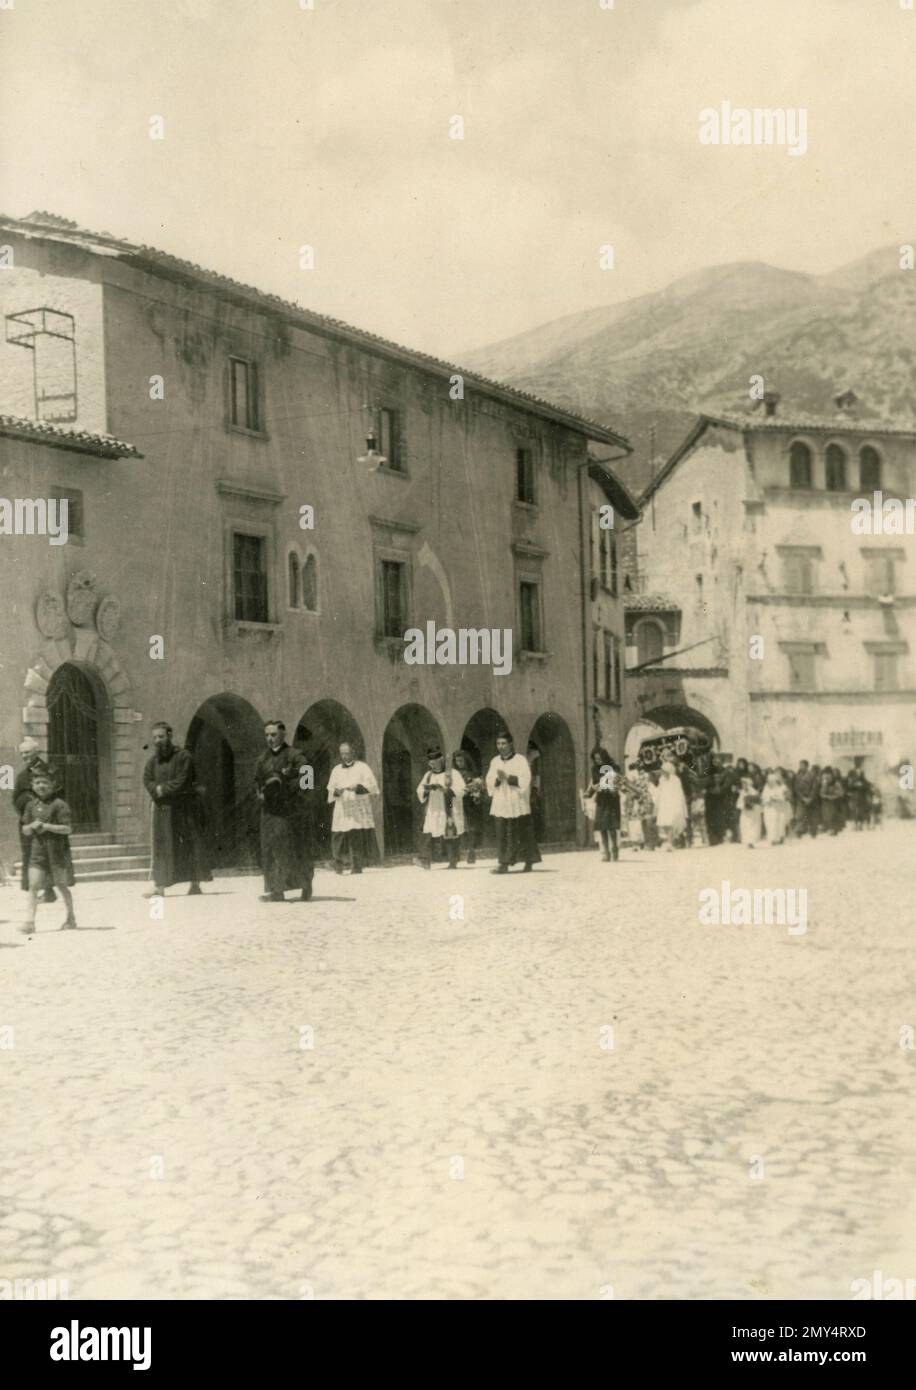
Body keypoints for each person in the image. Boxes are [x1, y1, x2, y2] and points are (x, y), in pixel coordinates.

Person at [143, 722, 212, 898]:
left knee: (189, 844)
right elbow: (147, 779)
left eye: (161, 736)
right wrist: (155, 789)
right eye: (155, 738)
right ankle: (160, 887)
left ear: (170, 735)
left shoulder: (183, 757)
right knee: (162, 847)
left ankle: (195, 884)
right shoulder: (153, 761)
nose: (158, 741)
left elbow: (183, 780)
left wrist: (162, 790)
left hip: (184, 808)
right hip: (163, 810)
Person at [253, 721, 315, 902]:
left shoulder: (295, 755)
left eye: (273, 734)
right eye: (267, 735)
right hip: (270, 812)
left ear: (283, 735)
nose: (270, 739)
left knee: (295, 848)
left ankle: (305, 884)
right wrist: (260, 794)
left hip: (290, 810)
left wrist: (292, 790)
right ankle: (276, 890)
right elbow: (255, 782)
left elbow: (308, 776)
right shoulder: (262, 759)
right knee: (271, 848)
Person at [19, 770, 76, 934]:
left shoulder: (59, 804)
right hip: (38, 852)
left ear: (53, 786)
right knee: (33, 886)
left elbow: (67, 829)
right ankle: (29, 923)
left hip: (57, 851)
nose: (41, 786)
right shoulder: (30, 806)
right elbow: (25, 829)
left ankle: (71, 918)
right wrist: (31, 826)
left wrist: (47, 826)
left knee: (61, 885)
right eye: (37, 783)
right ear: (32, 786)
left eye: (45, 783)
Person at [486, 730, 541, 873]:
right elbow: (489, 780)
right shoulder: (495, 761)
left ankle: (528, 861)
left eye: (504, 743)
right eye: (498, 743)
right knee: (502, 832)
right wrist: (497, 780)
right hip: (501, 801)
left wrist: (509, 778)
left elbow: (525, 779)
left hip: (517, 801)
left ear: (511, 744)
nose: (501, 746)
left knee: (522, 831)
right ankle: (503, 863)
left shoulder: (520, 760)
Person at [13, 737, 58, 903]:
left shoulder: (49, 770)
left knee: (46, 854)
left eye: (27, 753)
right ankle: (33, 890)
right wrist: (26, 813)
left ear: (36, 752)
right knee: (29, 854)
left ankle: (48, 890)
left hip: (45, 820)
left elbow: (56, 794)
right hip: (27, 821)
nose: (24, 756)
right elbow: (16, 798)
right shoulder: (22, 775)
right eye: (22, 753)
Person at [327, 741, 379, 874]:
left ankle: (357, 865)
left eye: (347, 753)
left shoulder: (363, 767)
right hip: (342, 805)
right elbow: (330, 787)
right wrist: (336, 791)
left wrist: (358, 787)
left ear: (353, 753)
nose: (344, 756)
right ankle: (337, 863)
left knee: (355, 834)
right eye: (342, 754)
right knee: (338, 833)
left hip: (357, 804)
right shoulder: (336, 769)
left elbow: (372, 786)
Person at [415, 747, 465, 869]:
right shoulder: (428, 775)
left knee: (449, 831)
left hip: (448, 806)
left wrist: (445, 790)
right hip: (434, 806)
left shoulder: (452, 773)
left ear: (441, 760)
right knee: (429, 831)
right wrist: (426, 789)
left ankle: (453, 861)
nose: (433, 764)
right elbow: (419, 789)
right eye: (430, 762)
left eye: (436, 761)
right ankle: (425, 859)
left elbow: (461, 789)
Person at [583, 747, 621, 862]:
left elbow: (618, 782)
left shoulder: (614, 767)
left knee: (611, 826)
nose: (598, 761)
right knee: (602, 827)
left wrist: (612, 787)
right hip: (601, 800)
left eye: (600, 758)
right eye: (596, 759)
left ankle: (614, 849)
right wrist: (591, 791)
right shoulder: (595, 769)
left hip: (612, 799)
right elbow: (594, 783)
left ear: (604, 757)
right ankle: (606, 852)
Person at [452, 749, 487, 863]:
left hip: (469, 803)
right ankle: (456, 853)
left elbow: (479, 786)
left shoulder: (472, 773)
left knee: (470, 827)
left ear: (466, 761)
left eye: (461, 761)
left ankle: (471, 851)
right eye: (457, 761)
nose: (459, 763)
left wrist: (474, 790)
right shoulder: (454, 774)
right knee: (457, 827)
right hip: (457, 802)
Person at [655, 758, 688, 850]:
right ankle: (670, 841)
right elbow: (659, 791)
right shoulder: (662, 779)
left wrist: (678, 805)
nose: (663, 772)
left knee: (672, 823)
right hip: (664, 804)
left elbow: (679, 793)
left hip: (673, 803)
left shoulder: (675, 780)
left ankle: (672, 842)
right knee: (665, 824)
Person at [622, 764, 655, 849]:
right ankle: (641, 843)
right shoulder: (633, 775)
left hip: (643, 798)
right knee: (638, 822)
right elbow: (626, 788)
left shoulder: (645, 776)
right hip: (636, 799)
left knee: (645, 821)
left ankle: (648, 843)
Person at [762, 769, 790, 845]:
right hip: (768, 808)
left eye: (771, 781)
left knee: (776, 823)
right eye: (768, 781)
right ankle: (772, 838)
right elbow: (763, 797)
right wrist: (768, 800)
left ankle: (777, 838)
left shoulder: (779, 787)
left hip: (777, 808)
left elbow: (784, 798)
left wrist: (776, 799)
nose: (769, 783)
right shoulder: (766, 788)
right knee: (769, 823)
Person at [794, 759, 820, 838]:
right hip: (801, 799)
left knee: (812, 816)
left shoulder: (812, 775)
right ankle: (799, 831)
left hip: (811, 799)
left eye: (802, 765)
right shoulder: (797, 776)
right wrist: (802, 797)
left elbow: (815, 787)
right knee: (800, 815)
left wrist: (811, 798)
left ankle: (813, 832)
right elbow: (796, 788)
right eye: (800, 765)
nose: (801, 767)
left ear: (806, 766)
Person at [737, 775, 763, 848]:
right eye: (742, 784)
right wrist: (743, 806)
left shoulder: (753, 792)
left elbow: (758, 802)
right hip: (745, 812)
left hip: (752, 813)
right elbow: (739, 803)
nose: (743, 785)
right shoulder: (742, 792)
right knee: (744, 826)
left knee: (751, 826)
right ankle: (747, 841)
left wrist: (752, 805)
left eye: (744, 784)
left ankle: (751, 841)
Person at [819, 766, 844, 836]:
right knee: (827, 816)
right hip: (827, 803)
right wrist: (827, 796)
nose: (828, 779)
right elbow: (821, 793)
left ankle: (834, 829)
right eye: (827, 778)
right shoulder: (825, 784)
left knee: (834, 815)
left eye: (830, 777)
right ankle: (829, 828)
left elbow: (841, 793)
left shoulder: (837, 784)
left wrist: (835, 796)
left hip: (835, 802)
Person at [844, 765, 869, 830]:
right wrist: (855, 785)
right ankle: (854, 825)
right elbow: (849, 788)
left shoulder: (864, 780)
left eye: (860, 772)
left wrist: (862, 785)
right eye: (857, 772)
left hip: (862, 797)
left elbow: (867, 787)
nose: (858, 773)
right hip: (854, 797)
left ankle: (860, 825)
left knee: (861, 811)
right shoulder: (852, 779)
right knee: (854, 811)